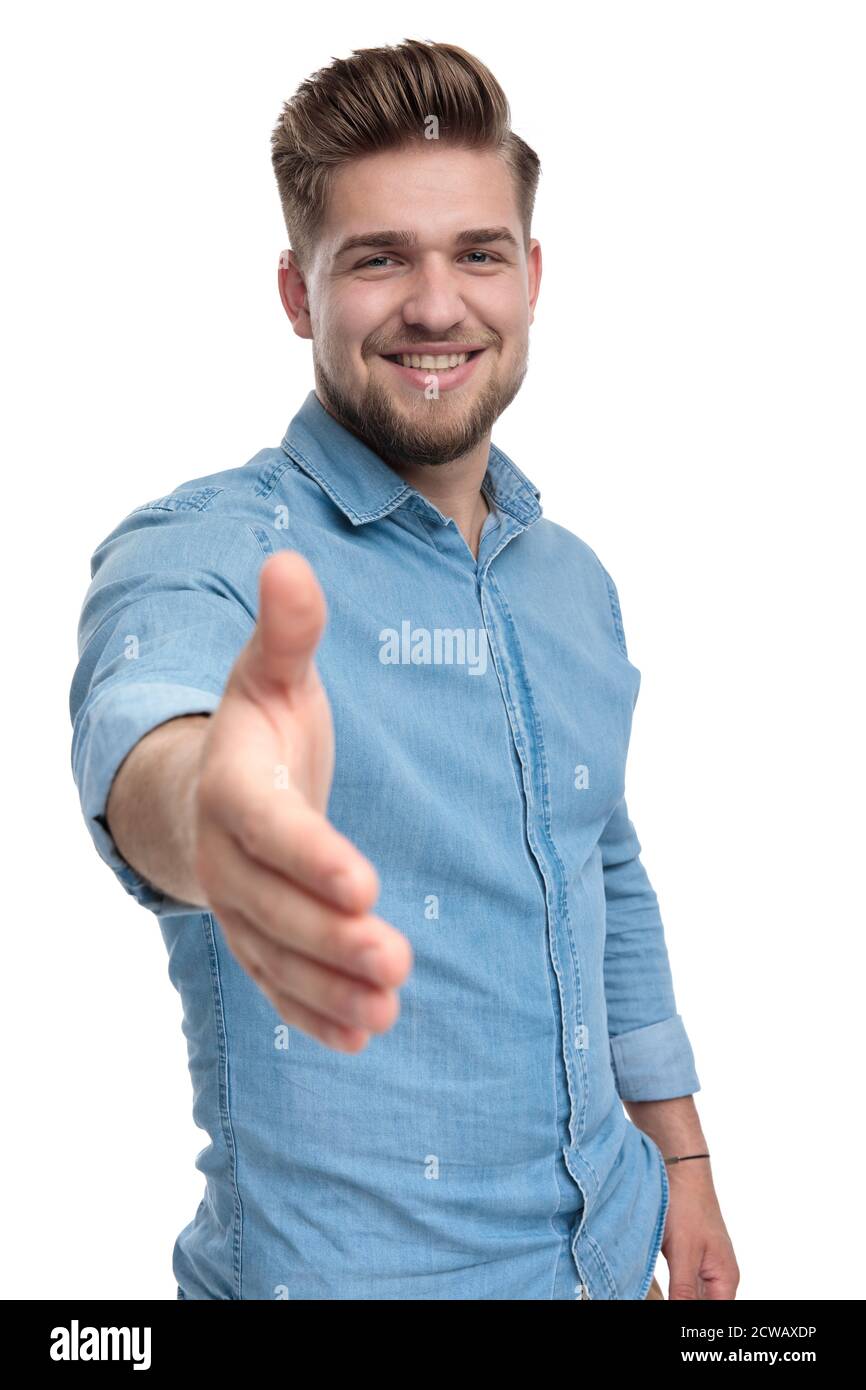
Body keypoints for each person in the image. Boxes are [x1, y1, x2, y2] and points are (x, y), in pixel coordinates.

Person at [69, 38, 738, 1301]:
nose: (437, 306)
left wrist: (682, 1160)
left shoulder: (570, 580)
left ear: (529, 276)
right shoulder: (212, 546)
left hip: (601, 1256)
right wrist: (220, 813)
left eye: (476, 253)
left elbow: (601, 864)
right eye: (377, 259)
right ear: (295, 291)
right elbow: (149, 725)